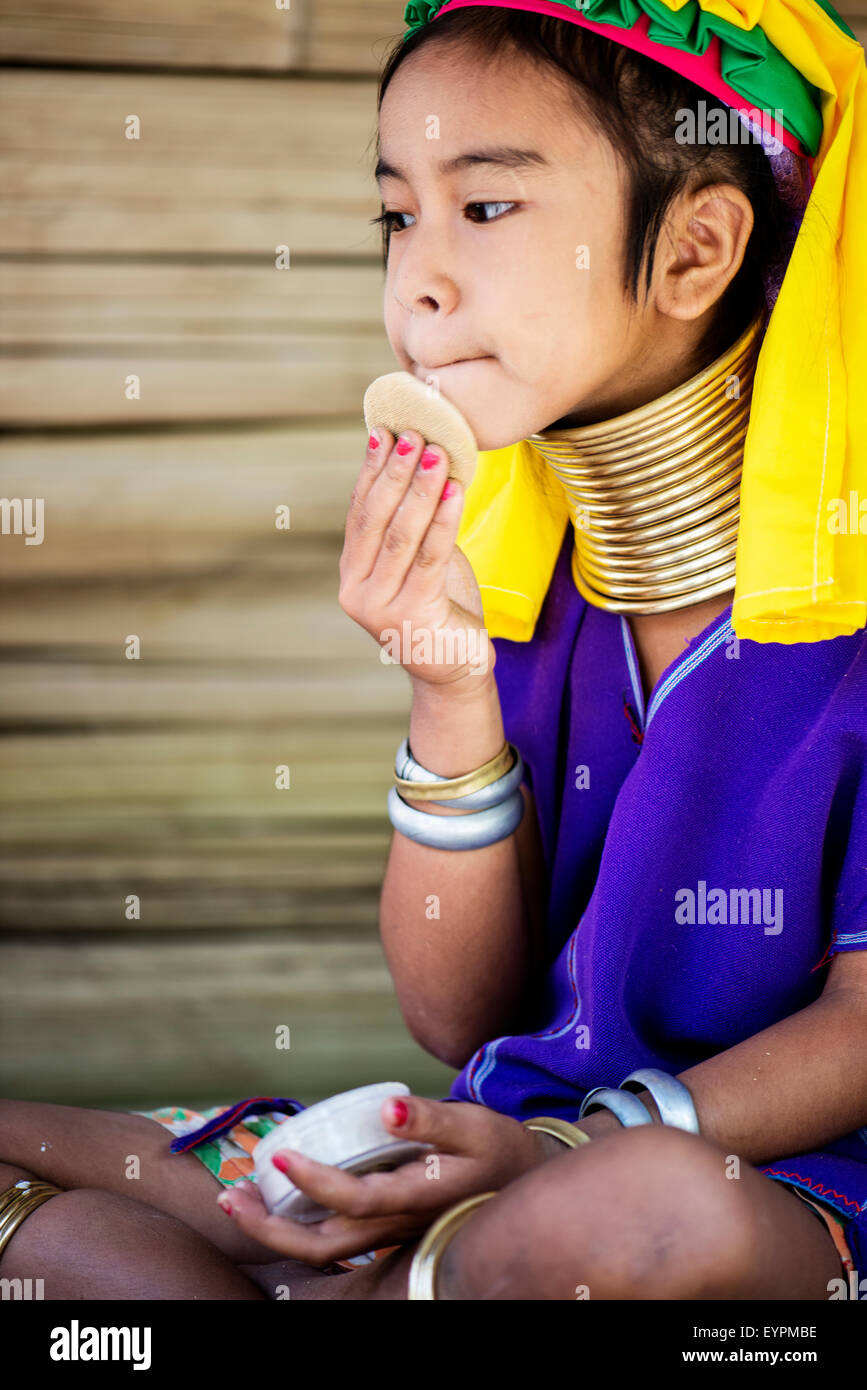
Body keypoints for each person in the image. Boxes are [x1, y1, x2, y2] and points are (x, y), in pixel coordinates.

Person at [2, 0, 866, 1301]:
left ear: (694, 250)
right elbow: (462, 1024)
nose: (418, 278)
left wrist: (564, 1152)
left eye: (486, 206)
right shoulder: (529, 595)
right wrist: (449, 686)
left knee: (651, 1214)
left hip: (774, 1191)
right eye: (397, 214)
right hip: (500, 1144)